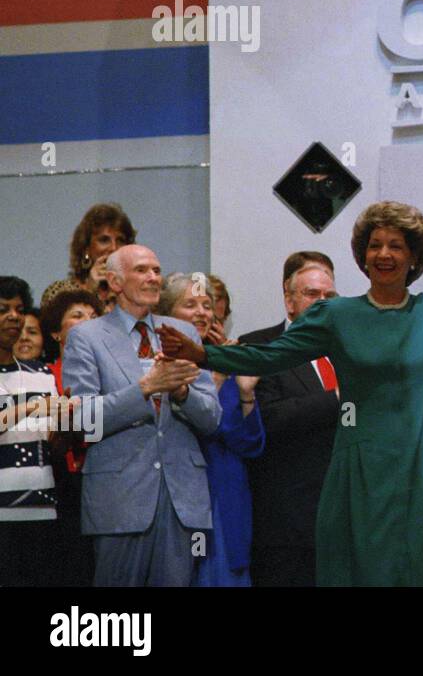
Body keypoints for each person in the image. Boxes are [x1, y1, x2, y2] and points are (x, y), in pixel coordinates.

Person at [161, 195, 423, 586]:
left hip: (422, 465)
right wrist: (204, 355)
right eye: (375, 245)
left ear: (414, 257)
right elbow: (269, 356)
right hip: (358, 469)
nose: (383, 253)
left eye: (396, 245)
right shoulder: (338, 316)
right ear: (362, 256)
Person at [62, 246, 222, 586]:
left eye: (156, 270)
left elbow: (212, 419)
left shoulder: (184, 333)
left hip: (182, 500)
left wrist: (181, 393)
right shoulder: (86, 337)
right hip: (119, 501)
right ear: (115, 282)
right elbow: (83, 421)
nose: (153, 277)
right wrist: (145, 389)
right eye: (141, 270)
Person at [159, 272, 264, 587]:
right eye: (190, 304)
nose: (202, 312)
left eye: (207, 305)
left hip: (226, 498)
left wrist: (246, 394)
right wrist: (215, 380)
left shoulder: (227, 361)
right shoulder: (159, 362)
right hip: (181, 499)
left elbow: (250, 444)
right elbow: (197, 425)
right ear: (164, 315)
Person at [243, 251, 340, 586]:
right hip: (285, 524)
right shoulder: (259, 346)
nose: (323, 302)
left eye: (330, 296)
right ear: (289, 300)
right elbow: (267, 419)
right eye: (313, 295)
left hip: (345, 520)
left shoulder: (352, 349)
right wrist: (338, 399)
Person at [0, 277, 74, 587]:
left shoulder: (42, 373)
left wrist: (69, 426)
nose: (14, 317)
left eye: (19, 309)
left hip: (41, 506)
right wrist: (31, 408)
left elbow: (55, 448)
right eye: (3, 309)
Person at [40, 287, 103, 586]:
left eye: (94, 316)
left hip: (103, 479)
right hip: (61, 485)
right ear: (55, 332)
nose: (89, 322)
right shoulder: (45, 375)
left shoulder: (110, 374)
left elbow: (98, 427)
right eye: (77, 316)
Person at [60, 203, 137, 309]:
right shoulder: (62, 292)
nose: (114, 248)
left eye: (120, 240)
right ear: (86, 248)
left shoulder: (135, 293)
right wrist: (90, 290)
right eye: (104, 240)